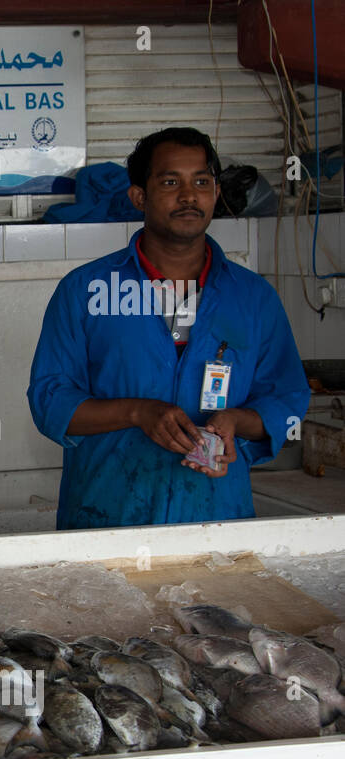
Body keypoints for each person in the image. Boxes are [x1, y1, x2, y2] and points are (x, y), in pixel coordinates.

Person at [28, 127, 310, 530]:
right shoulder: (86, 290)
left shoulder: (253, 298)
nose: (189, 195)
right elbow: (49, 401)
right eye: (170, 181)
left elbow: (286, 399)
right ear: (139, 196)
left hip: (215, 519)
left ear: (215, 192)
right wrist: (137, 412)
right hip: (107, 515)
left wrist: (235, 422)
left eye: (201, 181)